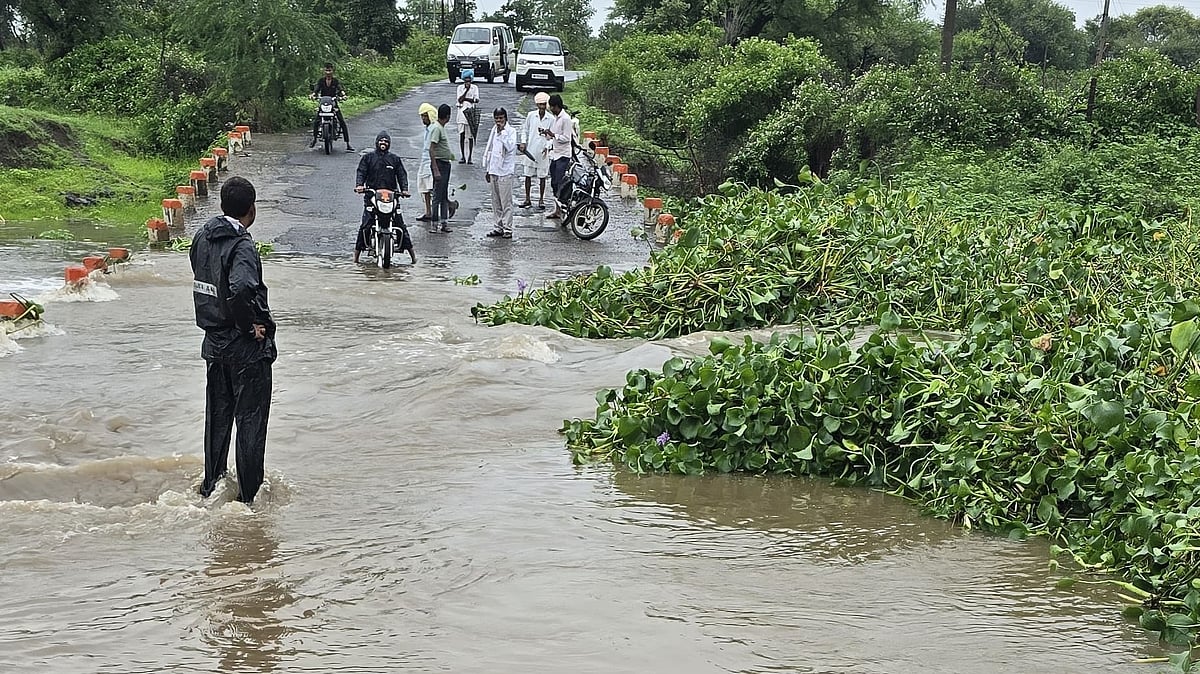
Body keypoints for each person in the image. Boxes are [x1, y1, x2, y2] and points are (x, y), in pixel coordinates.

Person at [189, 176, 276, 504]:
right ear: (251, 209)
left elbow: (204, 277)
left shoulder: (202, 236)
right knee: (250, 422)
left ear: (222, 204)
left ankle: (211, 486)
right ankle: (249, 500)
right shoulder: (242, 246)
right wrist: (251, 326)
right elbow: (240, 289)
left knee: (217, 418)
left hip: (213, 344)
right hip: (244, 350)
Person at [354, 130, 414, 264]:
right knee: (365, 225)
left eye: (386, 141)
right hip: (372, 197)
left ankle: (413, 256)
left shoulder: (395, 159)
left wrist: (404, 190)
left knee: (400, 224)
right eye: (381, 141)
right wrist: (359, 185)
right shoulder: (368, 158)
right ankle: (356, 258)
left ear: (389, 144)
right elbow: (361, 172)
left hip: (391, 197)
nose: (383, 143)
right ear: (376, 142)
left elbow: (402, 175)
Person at [483, 107, 518, 239]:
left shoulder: (511, 131)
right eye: (497, 118)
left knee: (506, 202)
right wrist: (488, 169)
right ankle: (498, 227)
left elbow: (510, 147)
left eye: (501, 118)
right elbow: (490, 149)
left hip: (505, 172)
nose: (499, 121)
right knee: (495, 201)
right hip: (494, 170)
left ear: (505, 118)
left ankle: (508, 228)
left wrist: (502, 132)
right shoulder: (493, 130)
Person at [519, 92, 553, 210]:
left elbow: (552, 136)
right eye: (540, 105)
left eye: (544, 104)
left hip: (543, 151)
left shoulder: (551, 119)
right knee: (527, 175)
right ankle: (527, 198)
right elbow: (525, 129)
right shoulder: (531, 116)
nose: (542, 107)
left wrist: (547, 146)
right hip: (531, 149)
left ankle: (541, 199)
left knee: (542, 176)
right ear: (537, 105)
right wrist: (523, 142)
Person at [544, 94, 576, 221]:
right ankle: (557, 209)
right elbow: (552, 135)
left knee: (560, 182)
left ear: (557, 106)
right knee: (554, 183)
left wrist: (554, 135)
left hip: (563, 155)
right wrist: (547, 133)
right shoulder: (555, 119)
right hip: (555, 154)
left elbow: (567, 138)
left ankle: (564, 207)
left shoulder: (566, 119)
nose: (551, 110)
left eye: (552, 107)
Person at [309, 62, 353, 152]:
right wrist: (313, 95)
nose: (328, 72)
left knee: (342, 121)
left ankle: (348, 143)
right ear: (324, 71)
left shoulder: (335, 81)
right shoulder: (321, 81)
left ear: (332, 71)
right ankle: (314, 139)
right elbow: (316, 89)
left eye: (329, 70)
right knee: (316, 121)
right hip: (323, 103)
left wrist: (343, 95)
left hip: (333, 103)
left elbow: (340, 89)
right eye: (326, 70)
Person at [429, 103, 458, 233]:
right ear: (447, 116)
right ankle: (435, 223)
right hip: (440, 164)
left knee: (443, 194)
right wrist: (435, 168)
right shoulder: (437, 129)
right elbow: (432, 149)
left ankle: (444, 222)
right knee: (437, 195)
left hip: (444, 164)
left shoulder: (440, 127)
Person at [415, 103, 437, 223]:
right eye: (422, 116)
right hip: (424, 161)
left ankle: (446, 207)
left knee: (433, 188)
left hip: (431, 162)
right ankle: (428, 212)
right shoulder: (428, 129)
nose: (423, 119)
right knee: (424, 188)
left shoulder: (434, 129)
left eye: (425, 116)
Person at [455, 70, 480, 164]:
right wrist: (466, 91)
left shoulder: (475, 88)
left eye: (469, 81)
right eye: (466, 81)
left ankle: (469, 157)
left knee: (470, 136)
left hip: (470, 113)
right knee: (462, 135)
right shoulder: (460, 88)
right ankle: (462, 156)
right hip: (461, 113)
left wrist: (466, 98)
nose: (467, 82)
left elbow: (476, 100)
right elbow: (460, 100)